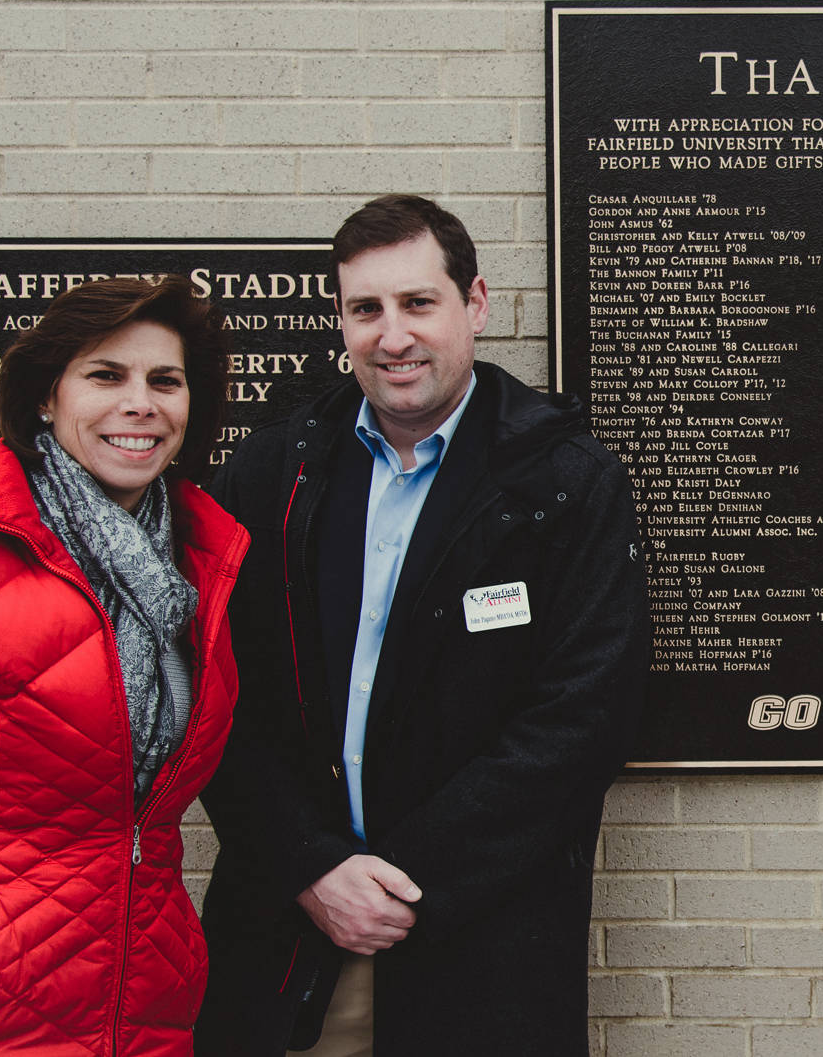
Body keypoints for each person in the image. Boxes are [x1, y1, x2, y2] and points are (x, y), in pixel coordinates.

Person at [195, 194, 648, 1056]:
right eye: (366, 308)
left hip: (479, 947)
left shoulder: (564, 482)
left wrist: (405, 883)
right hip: (295, 941)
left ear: (474, 304)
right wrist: (312, 864)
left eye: (417, 303)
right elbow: (220, 690)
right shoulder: (276, 470)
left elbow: (585, 716)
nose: (391, 334)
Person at [0, 277, 246, 1055]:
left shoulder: (204, 571)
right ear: (45, 399)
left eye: (166, 380)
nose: (141, 403)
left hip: (143, 1005)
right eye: (106, 376)